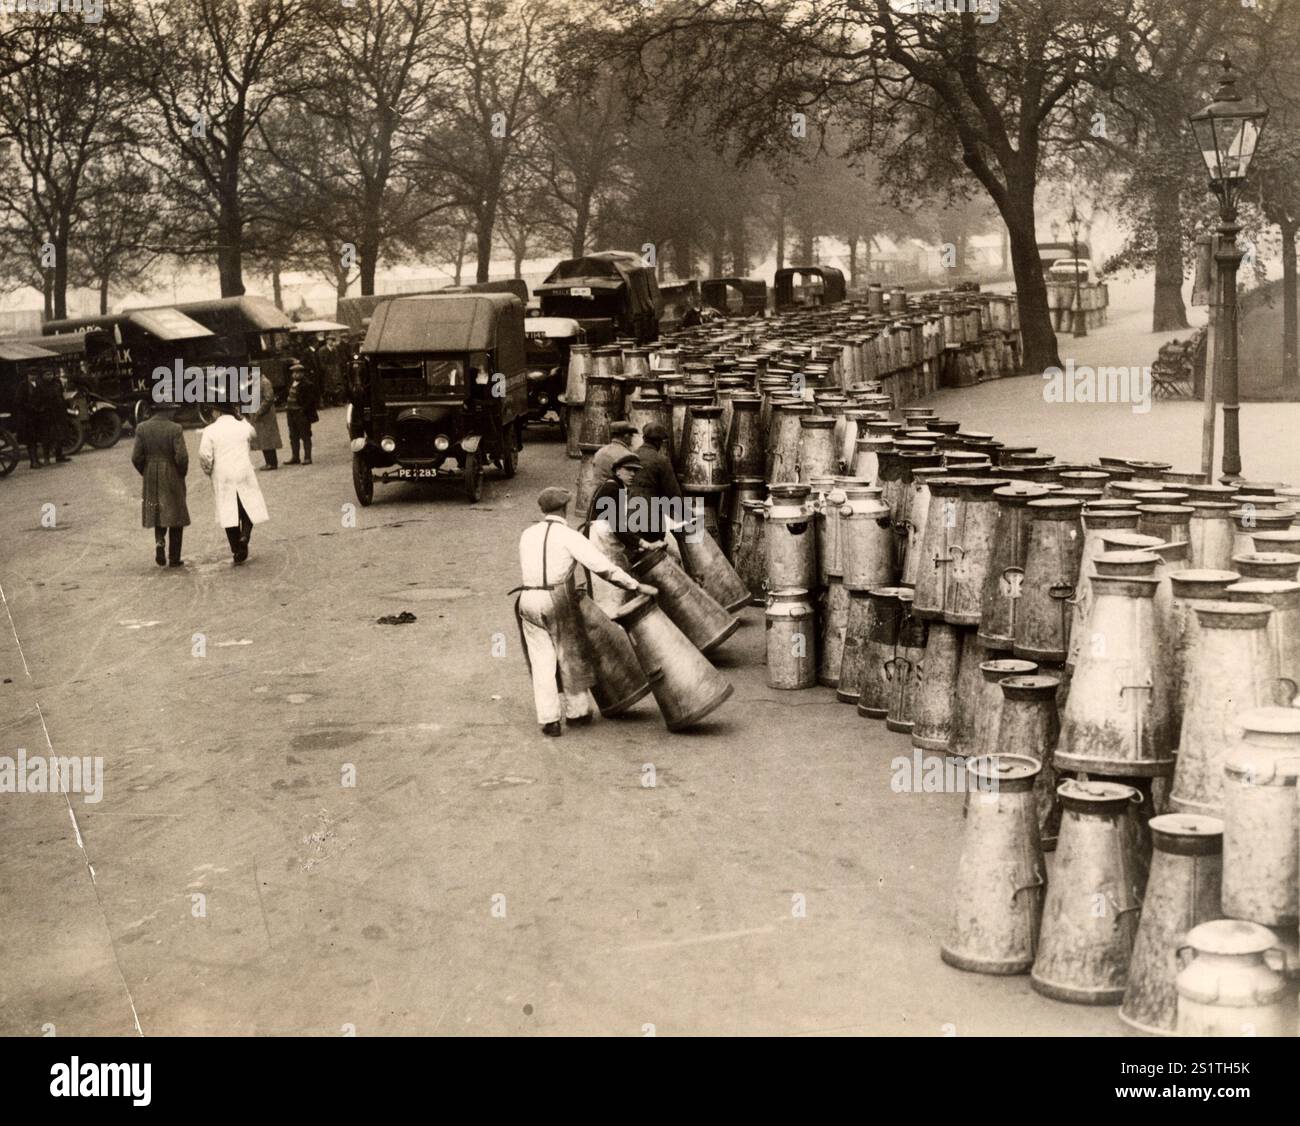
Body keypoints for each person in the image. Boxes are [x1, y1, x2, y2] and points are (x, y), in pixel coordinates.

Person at [515, 486, 655, 737]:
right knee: (569, 653)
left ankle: (549, 720)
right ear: (565, 508)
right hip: (556, 597)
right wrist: (635, 584)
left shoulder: (527, 534)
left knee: (541, 659)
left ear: (543, 510)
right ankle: (577, 712)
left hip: (526, 598)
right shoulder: (569, 536)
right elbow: (603, 568)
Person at [199, 401, 270, 565]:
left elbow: (204, 455)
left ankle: (236, 549)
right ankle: (245, 535)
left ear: (217, 412)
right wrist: (242, 420)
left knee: (228, 510)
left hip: (223, 474)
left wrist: (209, 470)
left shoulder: (210, 430)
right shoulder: (242, 426)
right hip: (243, 470)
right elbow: (253, 433)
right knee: (249, 505)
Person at [587, 451, 657, 616]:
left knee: (614, 586)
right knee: (613, 590)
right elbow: (618, 526)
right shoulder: (613, 489)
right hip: (603, 541)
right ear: (617, 470)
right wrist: (642, 543)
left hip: (604, 539)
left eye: (635, 471)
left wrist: (632, 543)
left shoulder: (614, 486)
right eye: (628, 470)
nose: (632, 474)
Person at [131, 403, 190, 568]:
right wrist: (181, 473)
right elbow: (182, 457)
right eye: (173, 409)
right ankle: (174, 558)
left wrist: (146, 471)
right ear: (168, 410)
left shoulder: (142, 428)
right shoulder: (175, 428)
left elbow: (136, 457)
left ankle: (159, 543)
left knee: (157, 511)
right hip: (171, 473)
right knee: (176, 514)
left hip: (150, 472)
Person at [630, 420, 685, 559]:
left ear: (643, 438)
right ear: (659, 442)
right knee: (655, 559)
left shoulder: (631, 456)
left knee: (636, 555)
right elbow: (673, 495)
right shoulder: (661, 460)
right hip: (651, 518)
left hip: (629, 513)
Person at [284, 361, 320, 465]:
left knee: (305, 435)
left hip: (301, 413)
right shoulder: (292, 383)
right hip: (290, 412)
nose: (296, 374)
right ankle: (295, 457)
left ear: (303, 374)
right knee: (293, 435)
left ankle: (307, 457)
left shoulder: (307, 384)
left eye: (298, 373)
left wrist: (302, 410)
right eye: (294, 373)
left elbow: (311, 400)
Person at [33, 369, 71, 465]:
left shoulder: (57, 384)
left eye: (51, 374)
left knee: (60, 435)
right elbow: (37, 401)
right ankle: (47, 458)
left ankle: (59, 455)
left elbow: (62, 396)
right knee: (47, 437)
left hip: (58, 413)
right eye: (47, 374)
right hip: (46, 415)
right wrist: (41, 409)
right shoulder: (39, 386)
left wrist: (66, 405)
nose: (50, 376)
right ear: (42, 375)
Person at [248, 372, 282, 469]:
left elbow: (269, 398)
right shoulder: (258, 382)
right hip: (261, 415)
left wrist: (259, 411)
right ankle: (269, 462)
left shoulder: (264, 382)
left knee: (268, 438)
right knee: (264, 439)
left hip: (265, 415)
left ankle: (272, 463)